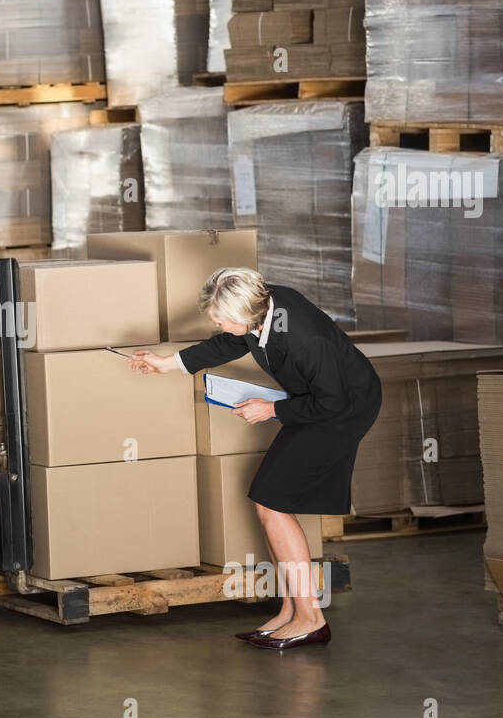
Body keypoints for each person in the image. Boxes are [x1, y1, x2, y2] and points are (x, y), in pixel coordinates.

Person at [128, 267, 381, 650]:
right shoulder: (264, 303)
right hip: (313, 403)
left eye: (219, 317)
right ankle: (291, 611)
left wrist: (272, 411)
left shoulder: (305, 339)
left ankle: (311, 618)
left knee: (273, 502)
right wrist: (170, 363)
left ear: (247, 313)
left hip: (342, 411)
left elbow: (334, 402)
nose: (215, 322)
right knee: (267, 499)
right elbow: (231, 342)